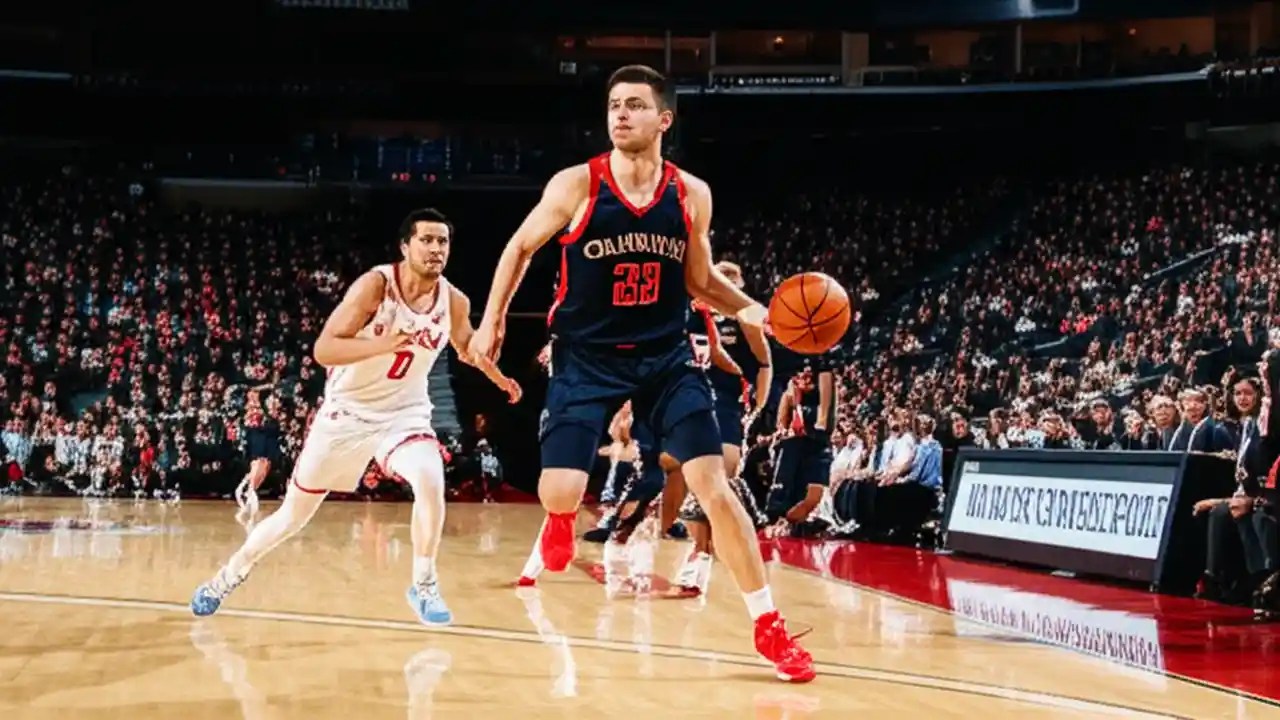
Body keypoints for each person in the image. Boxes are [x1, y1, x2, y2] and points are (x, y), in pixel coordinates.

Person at [468, 64, 815, 682]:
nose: (620, 114)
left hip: (666, 359)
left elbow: (699, 281)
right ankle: (556, 520)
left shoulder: (692, 194)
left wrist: (754, 308)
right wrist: (493, 318)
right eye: (613, 106)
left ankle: (768, 624)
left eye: (634, 104)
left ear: (664, 118)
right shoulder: (577, 185)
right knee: (563, 492)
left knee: (714, 481)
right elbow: (520, 246)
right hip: (586, 358)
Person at [190, 208, 522, 626]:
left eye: (443, 241)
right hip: (347, 414)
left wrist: (499, 377)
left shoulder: (454, 301)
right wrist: (384, 345)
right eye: (428, 240)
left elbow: (466, 348)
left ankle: (423, 582)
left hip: (405, 414)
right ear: (405, 246)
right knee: (292, 516)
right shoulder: (375, 286)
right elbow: (324, 350)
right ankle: (226, 576)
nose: (437, 249)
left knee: (431, 479)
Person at [674, 289, 772, 596]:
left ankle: (706, 553)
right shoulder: (691, 316)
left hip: (729, 405)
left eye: (732, 279)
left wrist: (756, 409)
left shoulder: (746, 318)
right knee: (701, 484)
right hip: (692, 400)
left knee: (721, 479)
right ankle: (699, 554)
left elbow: (765, 363)